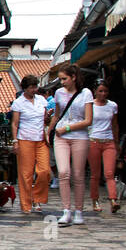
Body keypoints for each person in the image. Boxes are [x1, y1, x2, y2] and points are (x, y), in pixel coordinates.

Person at [49, 63, 94, 226]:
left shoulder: (86, 93)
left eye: (64, 79)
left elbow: (88, 120)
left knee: (78, 174)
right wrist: (49, 130)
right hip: (61, 136)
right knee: (63, 172)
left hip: (79, 136)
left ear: (73, 77)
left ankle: (79, 211)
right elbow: (57, 114)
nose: (62, 82)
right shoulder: (59, 93)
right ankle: (66, 210)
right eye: (60, 79)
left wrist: (67, 127)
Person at [9, 75, 52, 213]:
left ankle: (37, 197)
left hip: (40, 139)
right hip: (25, 139)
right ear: (25, 88)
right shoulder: (18, 103)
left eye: (35, 87)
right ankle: (26, 204)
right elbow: (15, 124)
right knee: (26, 173)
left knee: (44, 171)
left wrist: (48, 117)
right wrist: (15, 141)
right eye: (31, 87)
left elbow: (45, 119)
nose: (34, 90)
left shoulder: (41, 100)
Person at [87, 81, 121, 213]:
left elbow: (115, 124)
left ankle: (113, 199)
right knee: (95, 174)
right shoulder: (90, 105)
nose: (103, 94)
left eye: (105, 91)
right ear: (95, 91)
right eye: (100, 91)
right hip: (93, 141)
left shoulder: (112, 105)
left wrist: (116, 143)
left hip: (109, 141)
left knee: (109, 173)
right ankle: (95, 199)